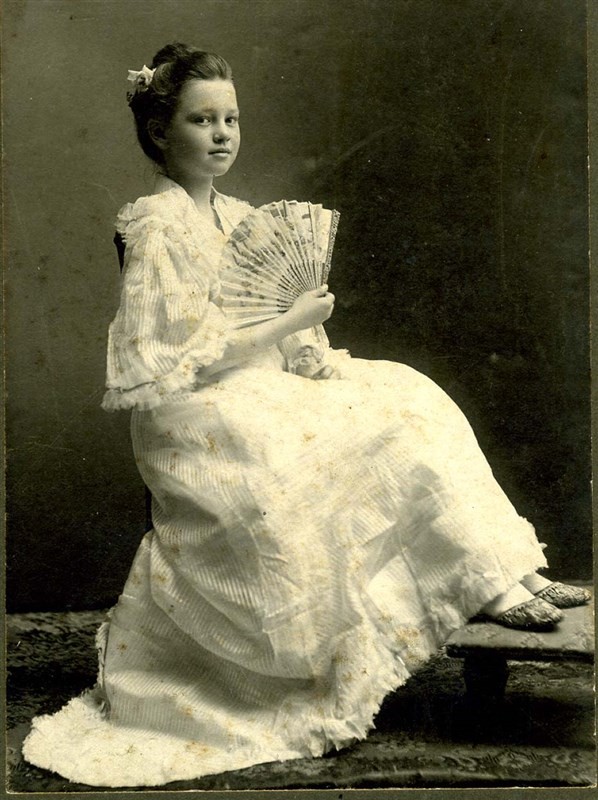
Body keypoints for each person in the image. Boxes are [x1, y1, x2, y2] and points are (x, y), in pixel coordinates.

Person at [22, 43, 590, 788]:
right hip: (199, 412)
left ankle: (498, 573)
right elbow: (173, 358)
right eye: (201, 120)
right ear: (161, 132)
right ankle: (478, 583)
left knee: (407, 396)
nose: (222, 134)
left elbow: (292, 336)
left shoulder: (245, 217)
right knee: (316, 443)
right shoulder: (155, 225)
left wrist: (309, 349)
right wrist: (286, 325)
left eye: (231, 118)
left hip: (266, 384)